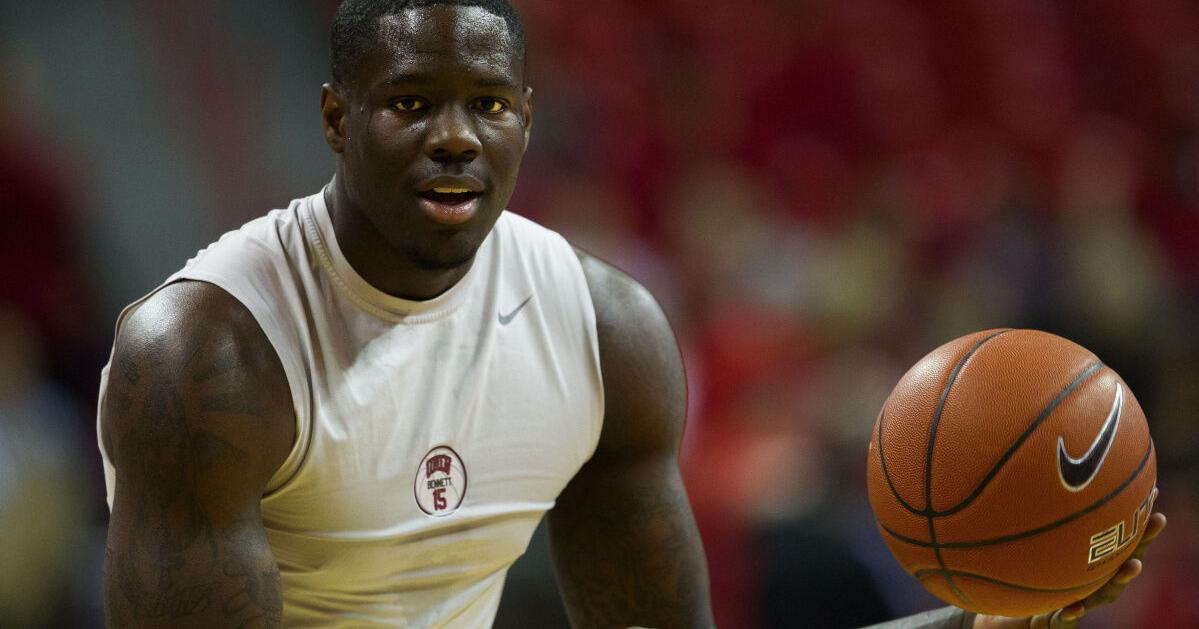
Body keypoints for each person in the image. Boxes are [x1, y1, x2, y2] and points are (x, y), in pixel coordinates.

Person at [97, 1, 1165, 627]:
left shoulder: (600, 329)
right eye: (412, 103)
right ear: (336, 117)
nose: (457, 137)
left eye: (489, 104)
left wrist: (971, 613)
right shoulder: (204, 361)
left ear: (529, 117)